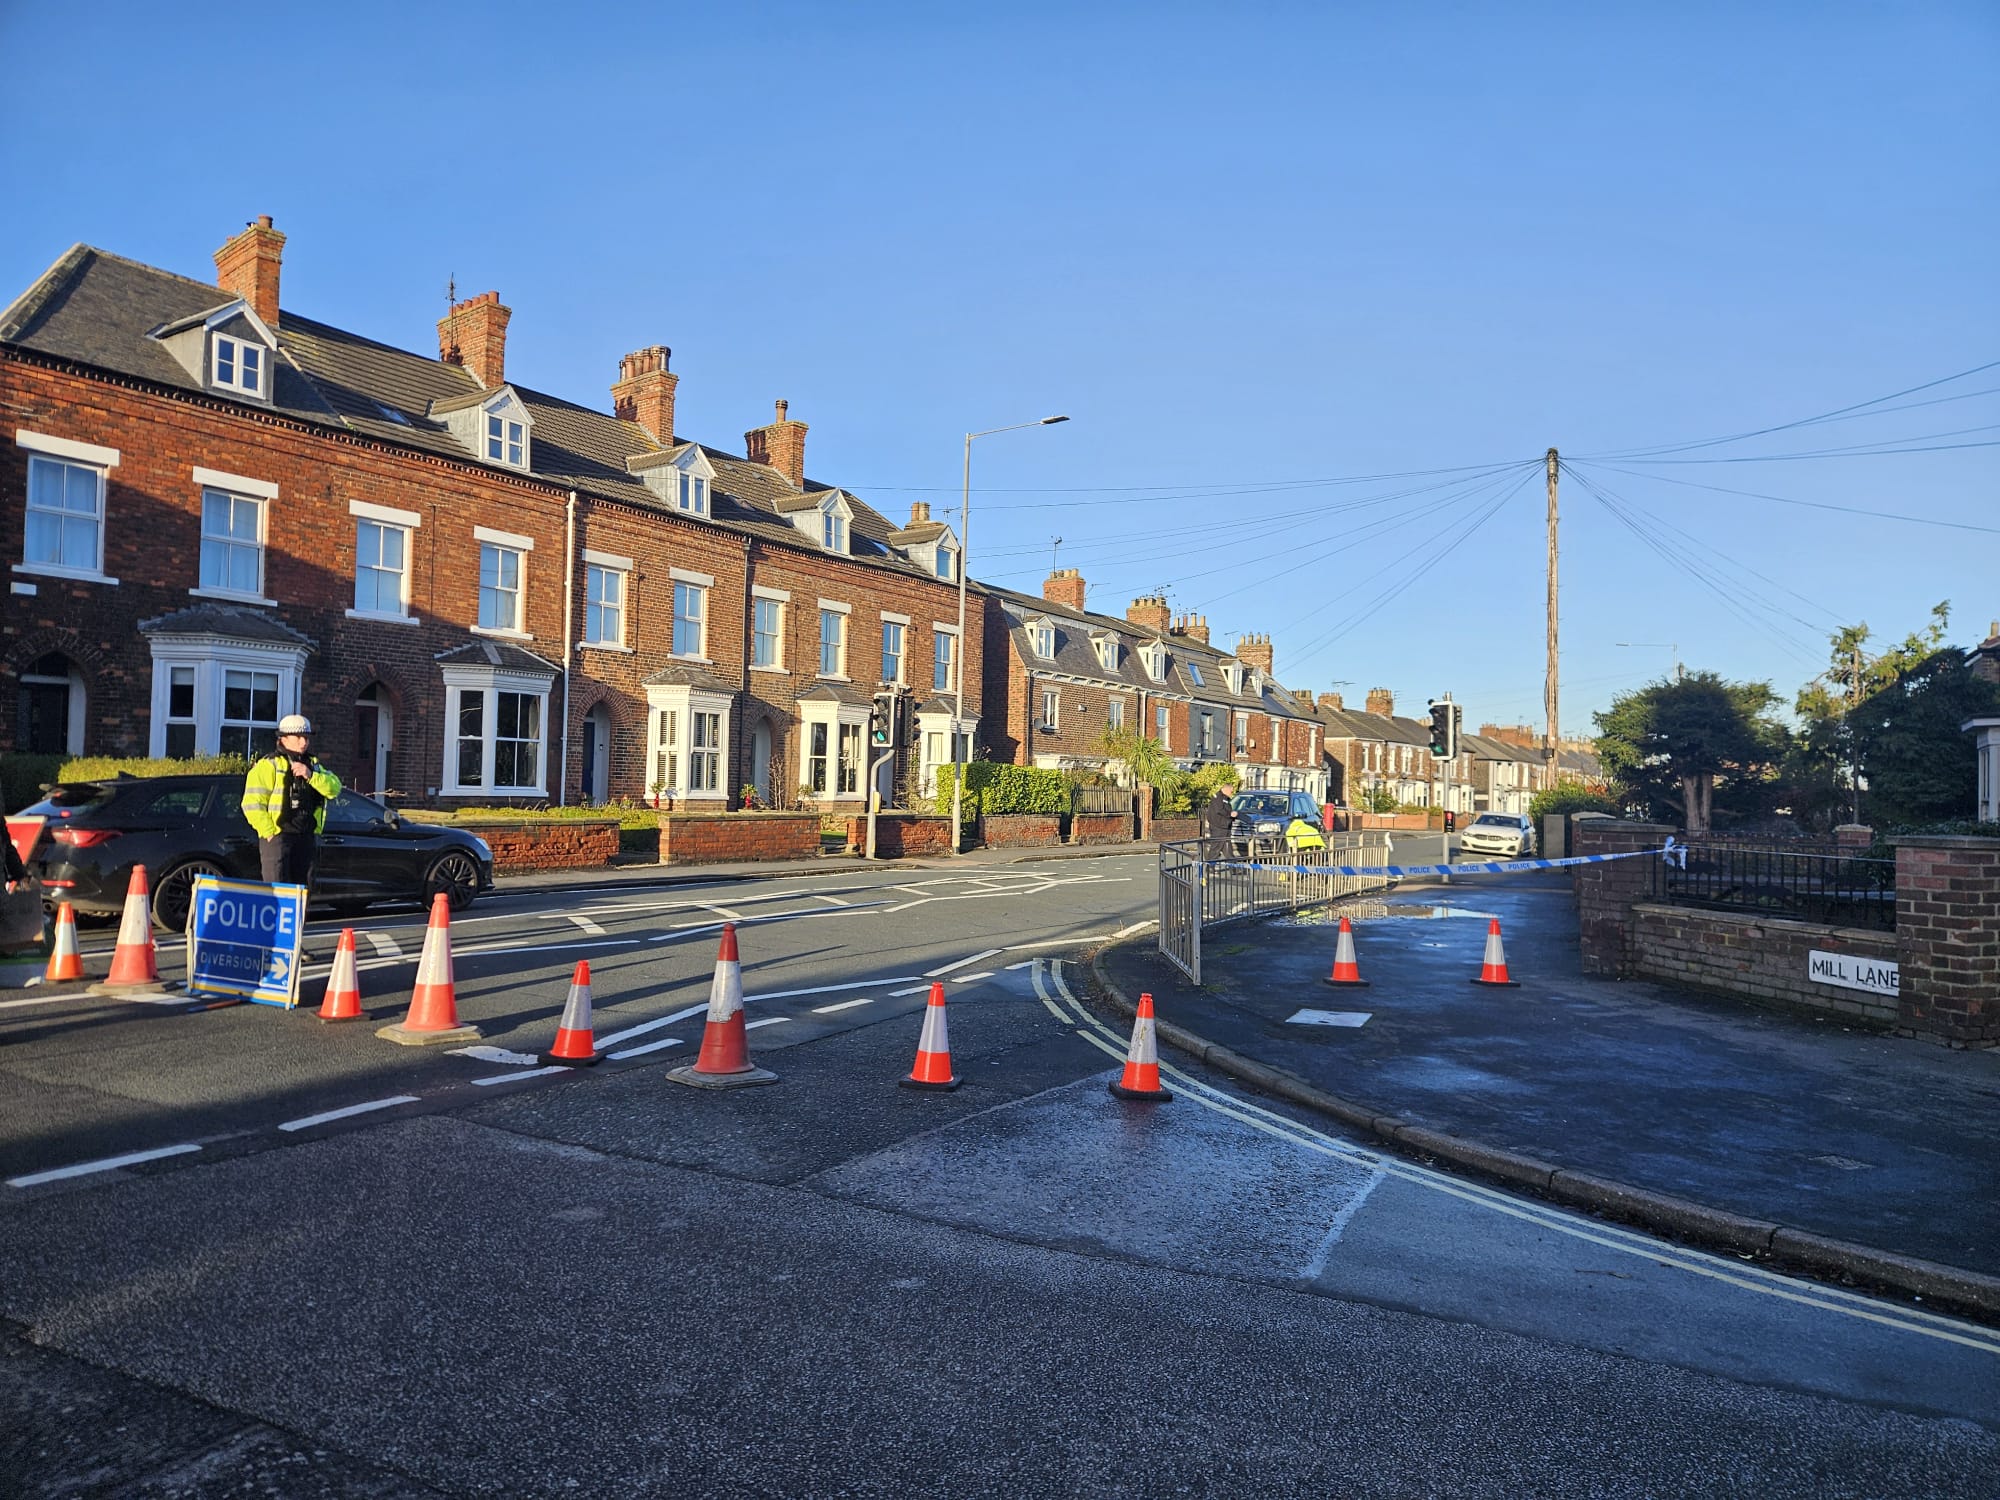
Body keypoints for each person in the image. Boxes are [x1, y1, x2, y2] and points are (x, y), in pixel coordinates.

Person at [243, 714, 342, 893]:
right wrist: (269, 833)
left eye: (306, 737)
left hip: (306, 835)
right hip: (278, 837)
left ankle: (298, 922)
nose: (304, 742)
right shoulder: (269, 765)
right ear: (283, 738)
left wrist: (311, 776)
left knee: (303, 892)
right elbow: (252, 804)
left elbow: (334, 788)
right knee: (277, 891)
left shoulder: (313, 765)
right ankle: (277, 922)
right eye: (298, 737)